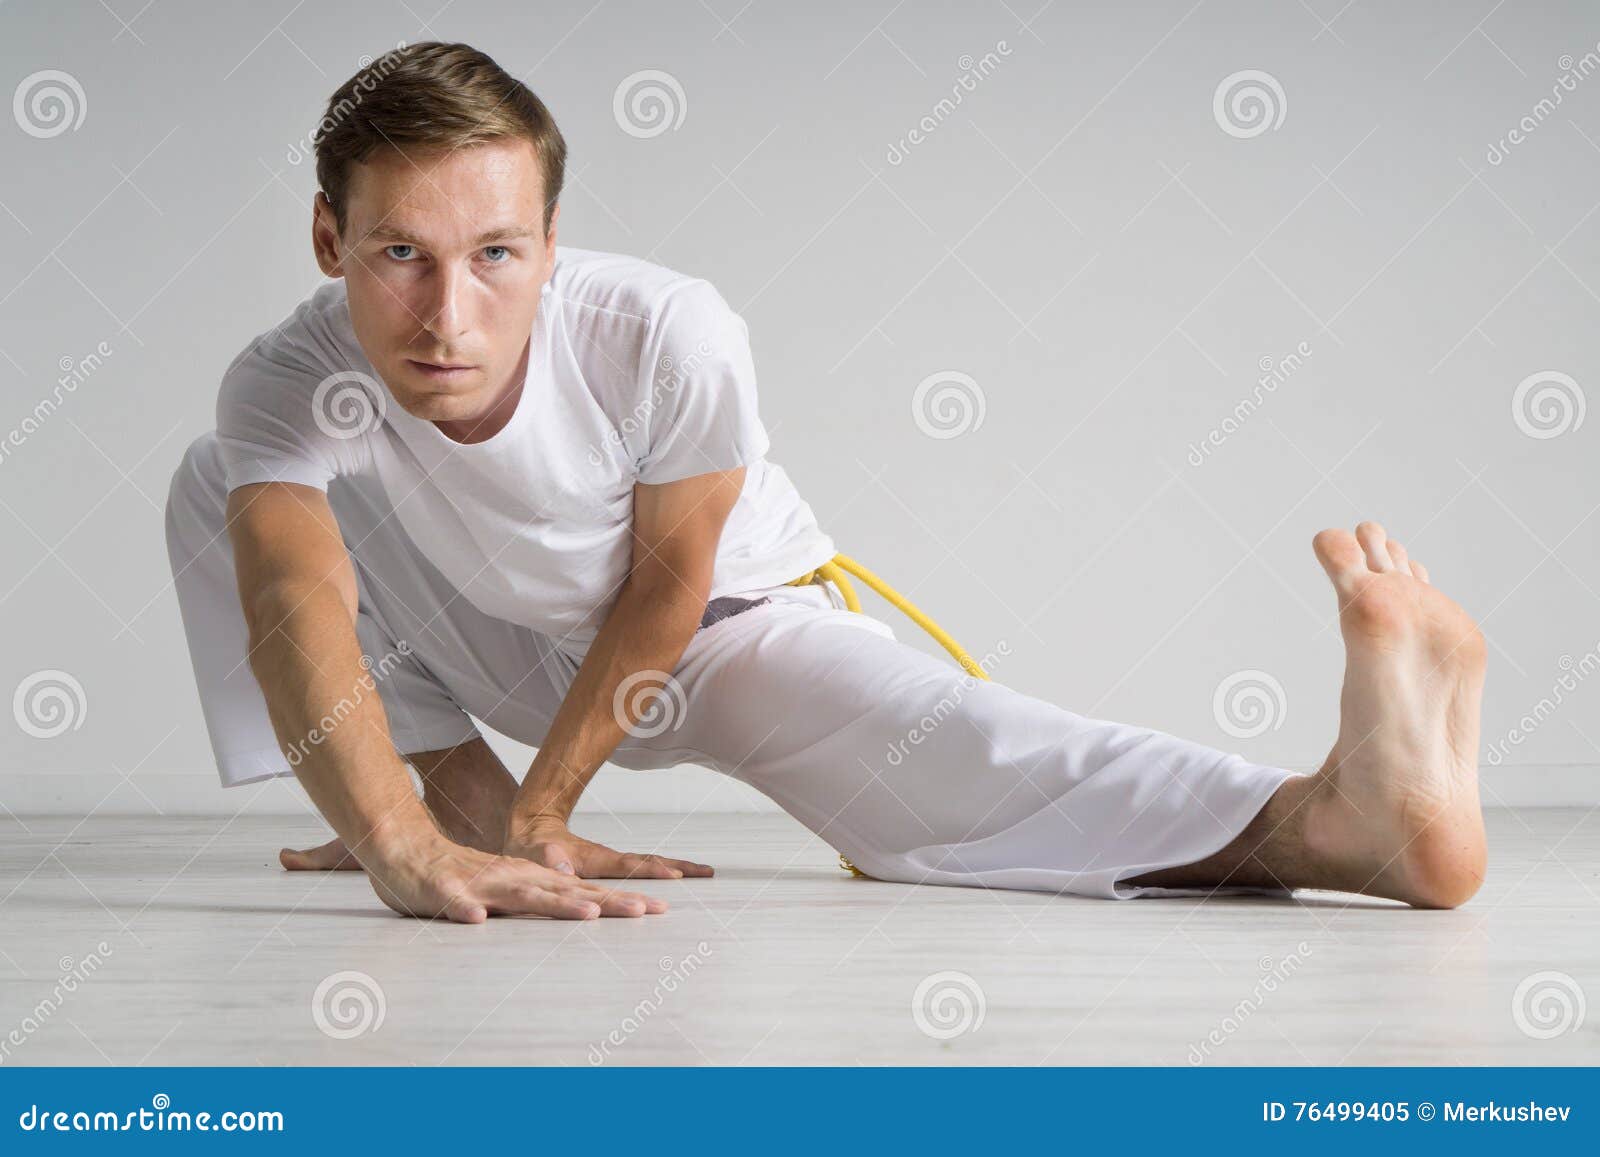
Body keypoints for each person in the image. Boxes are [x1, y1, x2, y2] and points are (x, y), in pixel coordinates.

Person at [164, 42, 1488, 923]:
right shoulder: (287, 377)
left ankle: (1344, 818)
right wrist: (397, 835)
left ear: (553, 244)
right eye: (400, 252)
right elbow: (291, 596)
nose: (449, 314)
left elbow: (668, 583)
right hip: (497, 640)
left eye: (496, 253)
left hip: (721, 628)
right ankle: (452, 806)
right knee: (221, 482)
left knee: (961, 771)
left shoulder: (664, 331)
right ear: (330, 236)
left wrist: (550, 806)